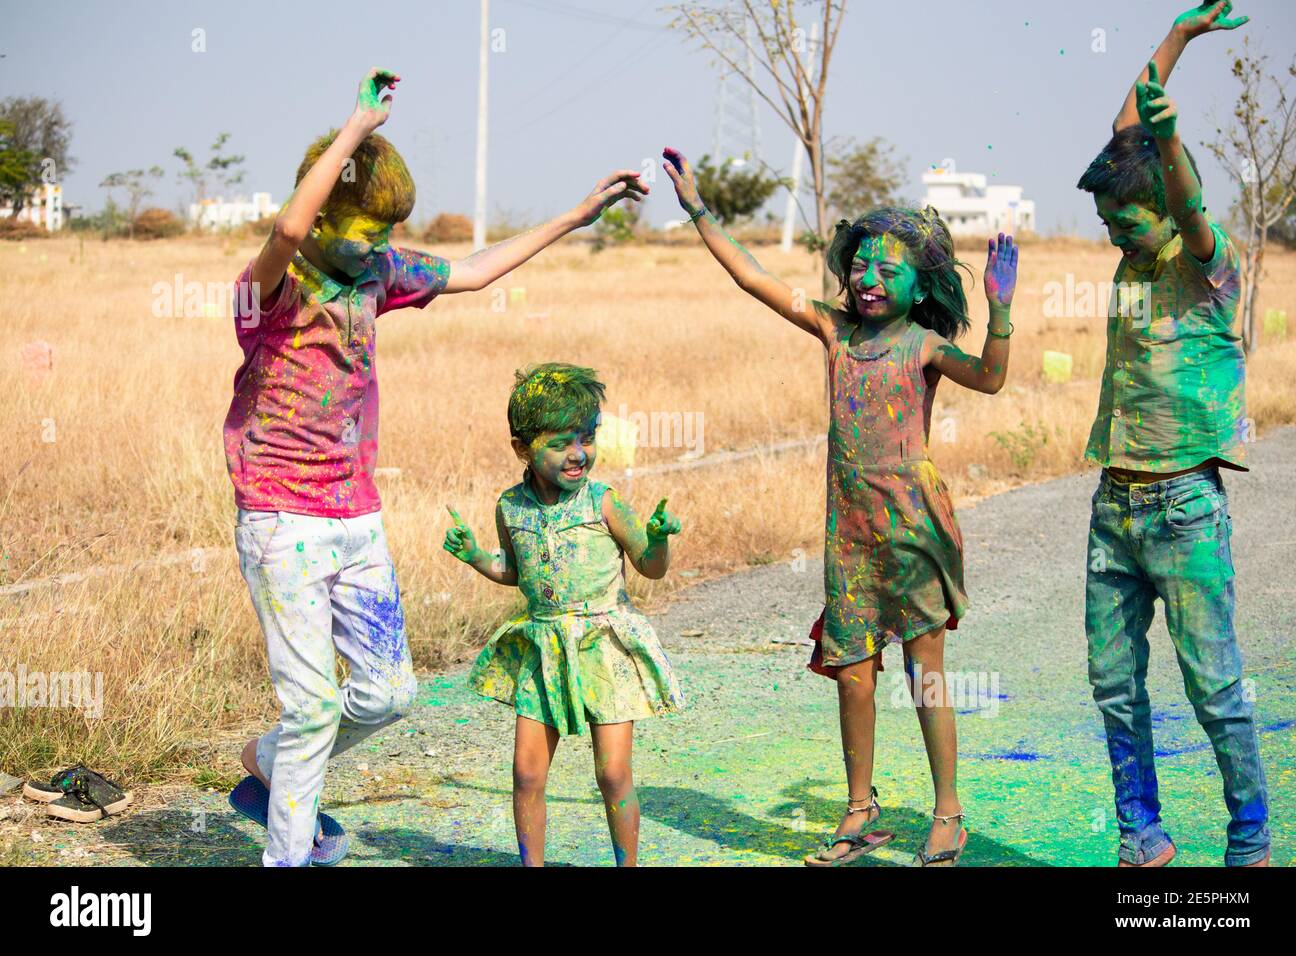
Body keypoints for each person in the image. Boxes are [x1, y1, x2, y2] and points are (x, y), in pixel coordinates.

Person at [225, 67, 648, 866]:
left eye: (388, 234)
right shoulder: (271, 293)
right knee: (313, 707)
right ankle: (289, 851)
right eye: (363, 231)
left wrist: (578, 214)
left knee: (389, 694)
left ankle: (274, 765)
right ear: (321, 221)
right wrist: (356, 125)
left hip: (355, 517)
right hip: (280, 518)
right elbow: (284, 230)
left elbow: (479, 269)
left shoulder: (378, 274)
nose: (379, 249)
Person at [660, 147, 1018, 866]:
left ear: (921, 288)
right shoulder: (835, 333)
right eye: (861, 264)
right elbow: (754, 277)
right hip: (849, 535)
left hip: (914, 530)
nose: (870, 278)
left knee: (925, 671)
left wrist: (1001, 310)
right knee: (853, 674)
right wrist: (698, 208)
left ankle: (948, 810)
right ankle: (861, 809)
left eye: (890, 269)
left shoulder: (923, 346)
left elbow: (990, 379)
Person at [1075, 1, 1269, 867]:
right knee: (1116, 688)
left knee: (1216, 689)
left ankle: (1250, 840)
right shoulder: (1130, 242)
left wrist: (1176, 142)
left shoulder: (1206, 263)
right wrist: (1180, 39)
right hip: (1114, 501)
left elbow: (1183, 198)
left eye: (1126, 221)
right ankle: (1140, 836)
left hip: (1185, 505)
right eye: (1108, 222)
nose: (1113, 234)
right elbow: (1129, 136)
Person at [444, 363, 684, 866]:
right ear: (521, 448)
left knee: (612, 774)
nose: (579, 454)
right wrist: (475, 558)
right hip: (544, 647)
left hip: (605, 646)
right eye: (561, 443)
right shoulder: (510, 507)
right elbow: (514, 571)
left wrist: (658, 540)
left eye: (588, 438)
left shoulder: (604, 502)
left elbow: (650, 567)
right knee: (527, 774)